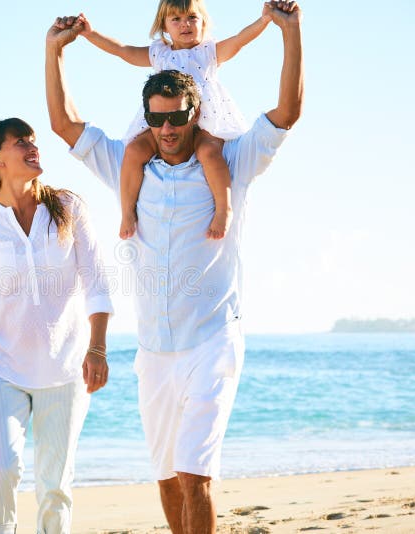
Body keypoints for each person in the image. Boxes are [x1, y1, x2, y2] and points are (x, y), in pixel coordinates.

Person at [45, 2, 303, 533]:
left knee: (193, 476)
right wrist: (56, 53)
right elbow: (63, 124)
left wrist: (289, 34)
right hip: (153, 352)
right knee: (166, 479)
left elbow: (286, 113)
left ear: (196, 112)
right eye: (157, 118)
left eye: (178, 118)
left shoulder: (230, 163)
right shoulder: (129, 167)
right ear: (146, 117)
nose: (167, 128)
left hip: (212, 341)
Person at [0, 117, 113, 534]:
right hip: (3, 368)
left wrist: (97, 347)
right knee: (3, 467)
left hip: (66, 369)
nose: (33, 147)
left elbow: (96, 281)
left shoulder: (68, 208)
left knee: (55, 485)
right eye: (21, 142)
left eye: (33, 140)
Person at [78, 0, 273, 240]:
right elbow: (123, 50)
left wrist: (264, 20)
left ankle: (224, 208)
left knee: (209, 153)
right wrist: (90, 34)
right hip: (166, 121)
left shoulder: (208, 52)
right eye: (176, 19)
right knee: (134, 151)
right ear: (164, 25)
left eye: (192, 17)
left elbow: (239, 40)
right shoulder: (160, 53)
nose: (185, 25)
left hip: (203, 121)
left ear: (203, 21)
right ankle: (127, 211)